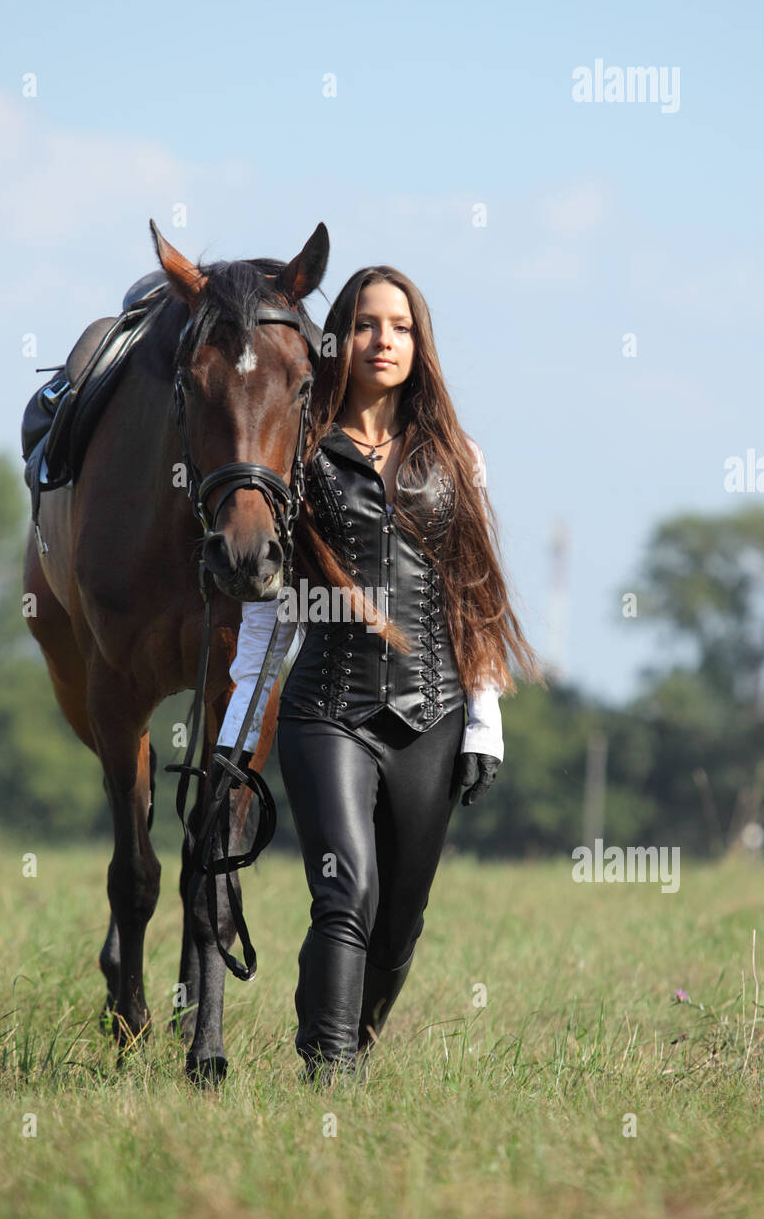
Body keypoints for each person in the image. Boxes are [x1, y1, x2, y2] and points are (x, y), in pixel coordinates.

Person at [216, 265, 540, 1084]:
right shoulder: (301, 454)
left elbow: (476, 594)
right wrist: (232, 737)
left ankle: (350, 1043)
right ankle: (328, 1075)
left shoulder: (457, 457)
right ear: (339, 340)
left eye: (398, 326)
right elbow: (272, 609)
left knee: (399, 924)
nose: (382, 340)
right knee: (346, 891)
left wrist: (484, 716)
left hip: (430, 717)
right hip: (327, 709)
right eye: (364, 324)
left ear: (418, 342)